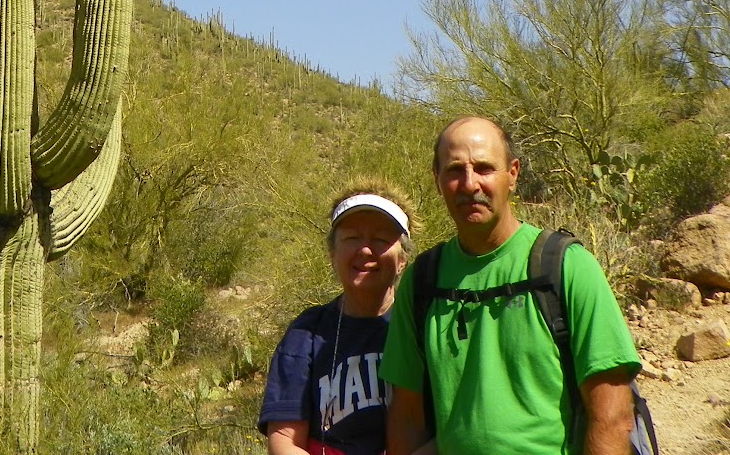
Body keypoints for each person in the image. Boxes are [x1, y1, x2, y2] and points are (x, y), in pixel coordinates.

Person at [382, 117, 641, 455]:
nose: (470, 184)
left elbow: (612, 417)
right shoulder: (422, 281)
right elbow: (407, 418)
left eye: (484, 168)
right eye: (455, 170)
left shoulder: (566, 268)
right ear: (437, 179)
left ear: (513, 174)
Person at [259, 183, 415, 455]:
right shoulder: (306, 333)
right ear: (332, 253)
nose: (365, 250)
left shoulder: (422, 328)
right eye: (352, 238)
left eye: (380, 239)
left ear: (402, 259)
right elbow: (284, 439)